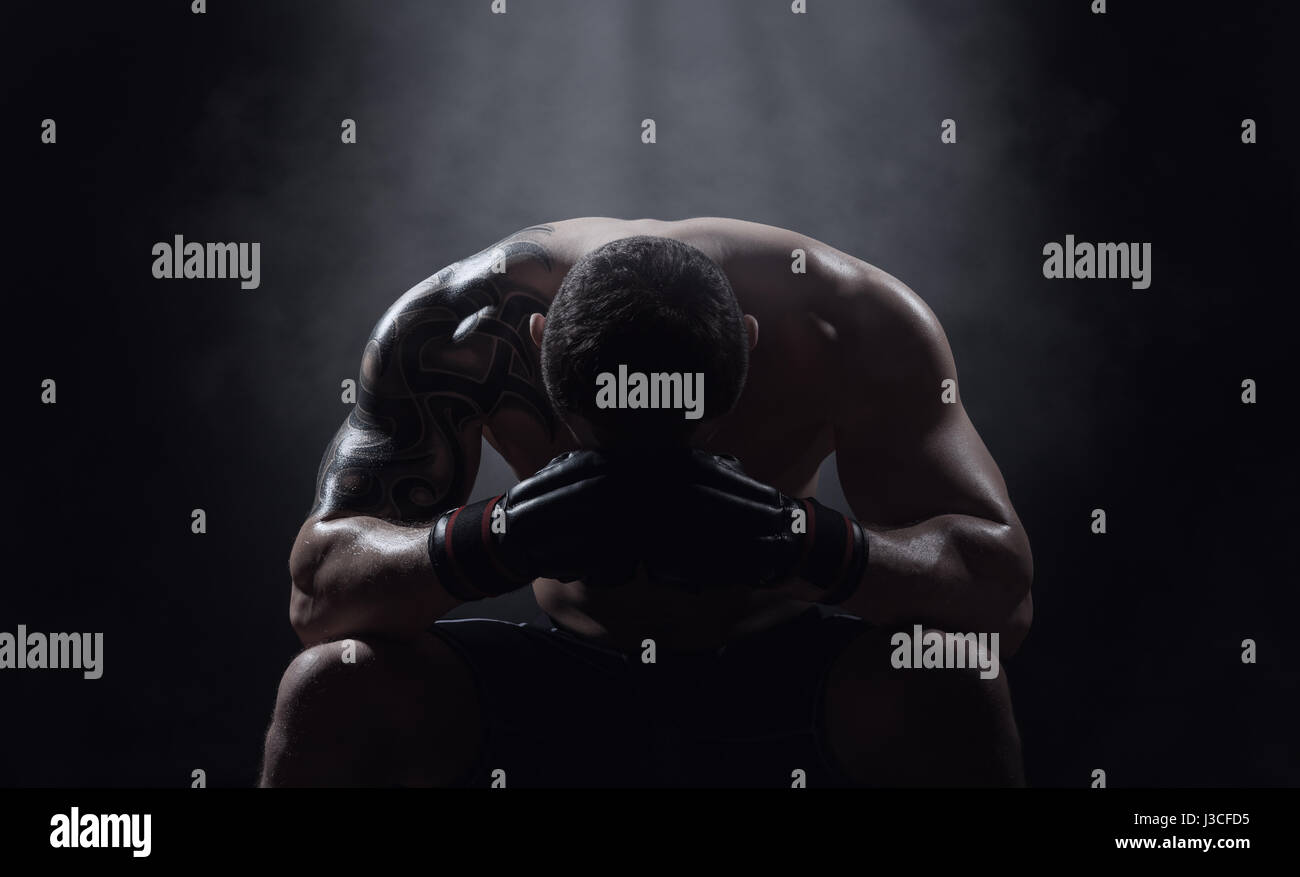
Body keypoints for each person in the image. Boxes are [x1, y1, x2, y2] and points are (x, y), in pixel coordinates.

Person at [259, 218, 1032, 787]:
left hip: (782, 678)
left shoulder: (850, 325)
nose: (644, 473)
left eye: (678, 434)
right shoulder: (458, 331)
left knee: (958, 678)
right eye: (602, 436)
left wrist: (800, 543)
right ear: (537, 338)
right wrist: (497, 536)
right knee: (332, 679)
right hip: (558, 686)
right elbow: (317, 596)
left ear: (751, 345)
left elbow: (1004, 599)